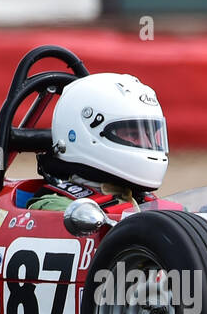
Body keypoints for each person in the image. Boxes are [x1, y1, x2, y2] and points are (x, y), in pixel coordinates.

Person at [23, 73, 169, 212]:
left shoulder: (147, 204)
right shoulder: (57, 208)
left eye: (149, 134)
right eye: (132, 133)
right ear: (85, 133)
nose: (148, 144)